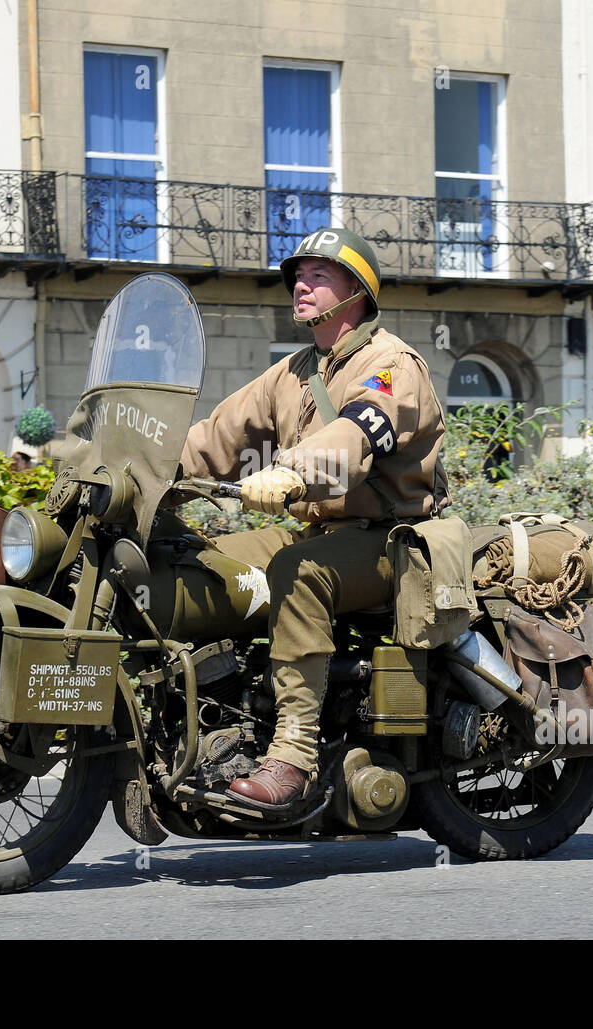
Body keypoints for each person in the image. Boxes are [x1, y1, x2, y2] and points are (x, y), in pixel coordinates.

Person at [180, 228, 447, 810]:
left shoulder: (391, 365)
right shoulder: (294, 372)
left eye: (319, 275)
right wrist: (142, 468)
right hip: (316, 530)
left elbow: (359, 430)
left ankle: (294, 757)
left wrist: (296, 472)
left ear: (357, 292)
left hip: (390, 540)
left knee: (299, 570)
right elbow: (216, 436)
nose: (301, 284)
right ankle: (209, 724)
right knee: (202, 563)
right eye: (298, 275)